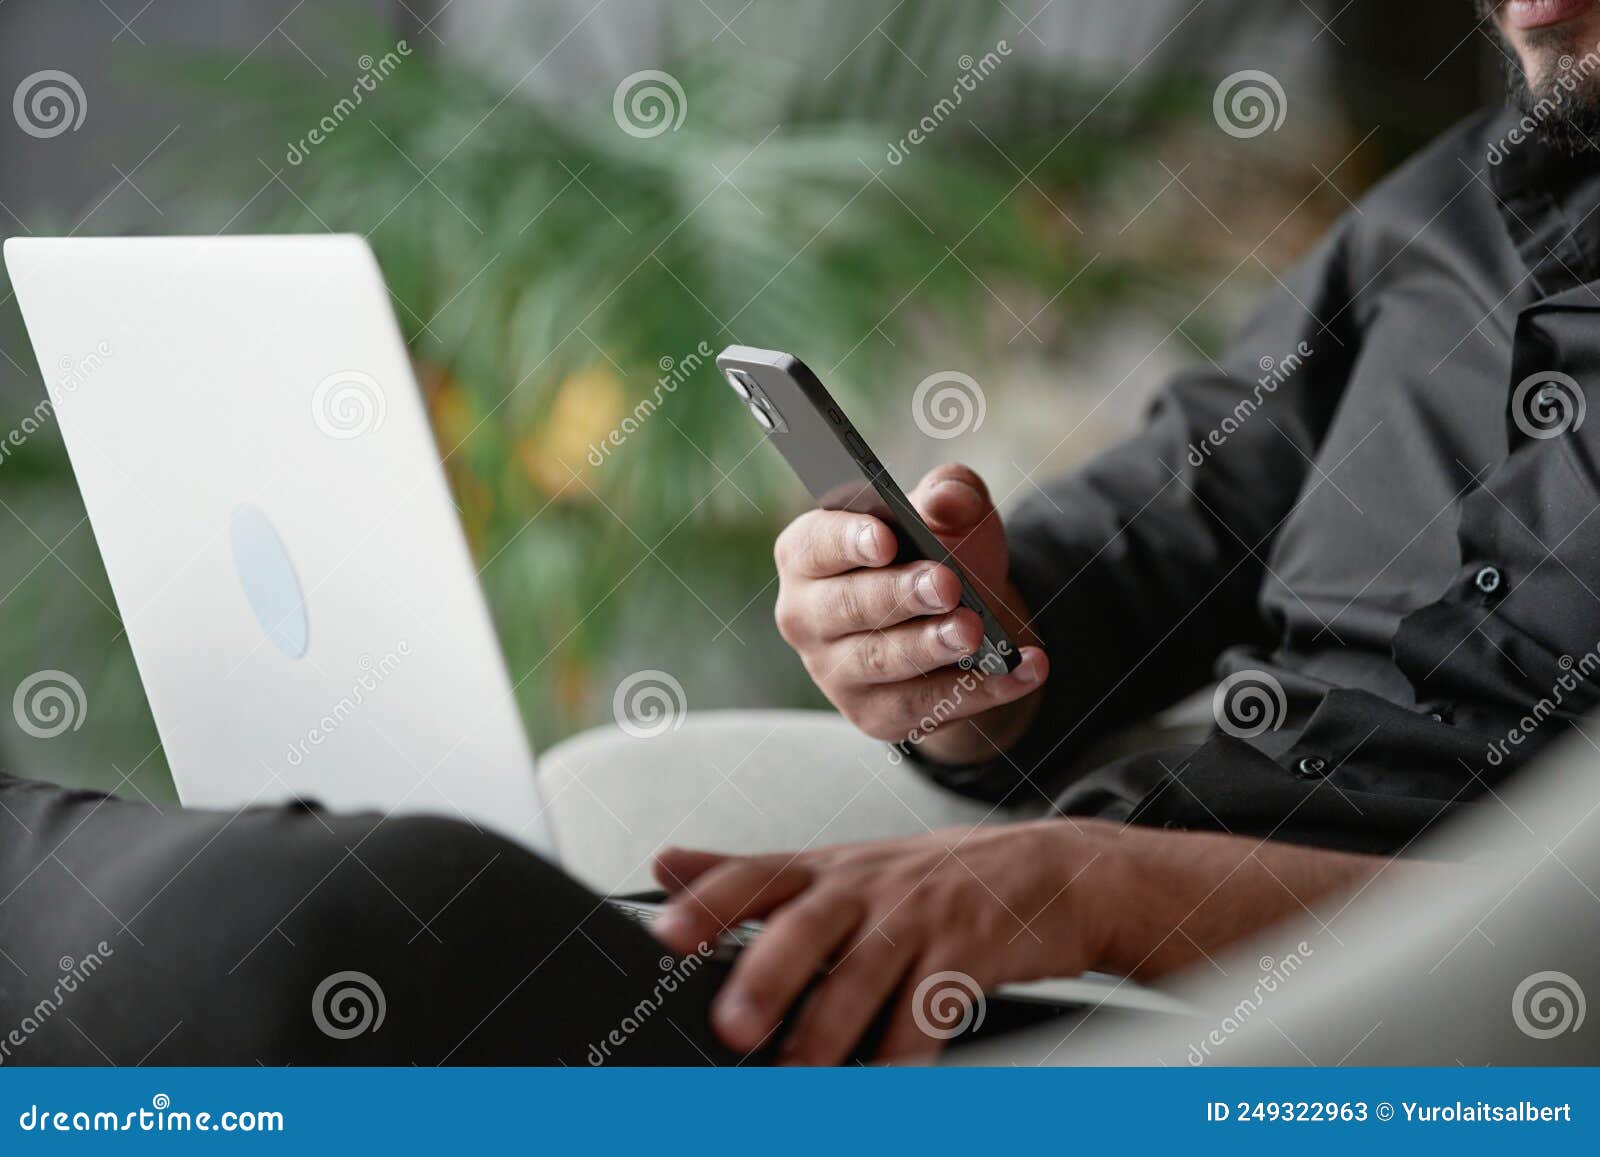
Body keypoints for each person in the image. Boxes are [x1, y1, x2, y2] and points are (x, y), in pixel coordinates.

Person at [0, 0, 1593, 1066]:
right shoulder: (1447, 213)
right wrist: (936, 647)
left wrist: (1102, 885)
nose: (1523, 8)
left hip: (1325, 1036)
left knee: (331, 934)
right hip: (1050, 962)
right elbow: (1100, 591)